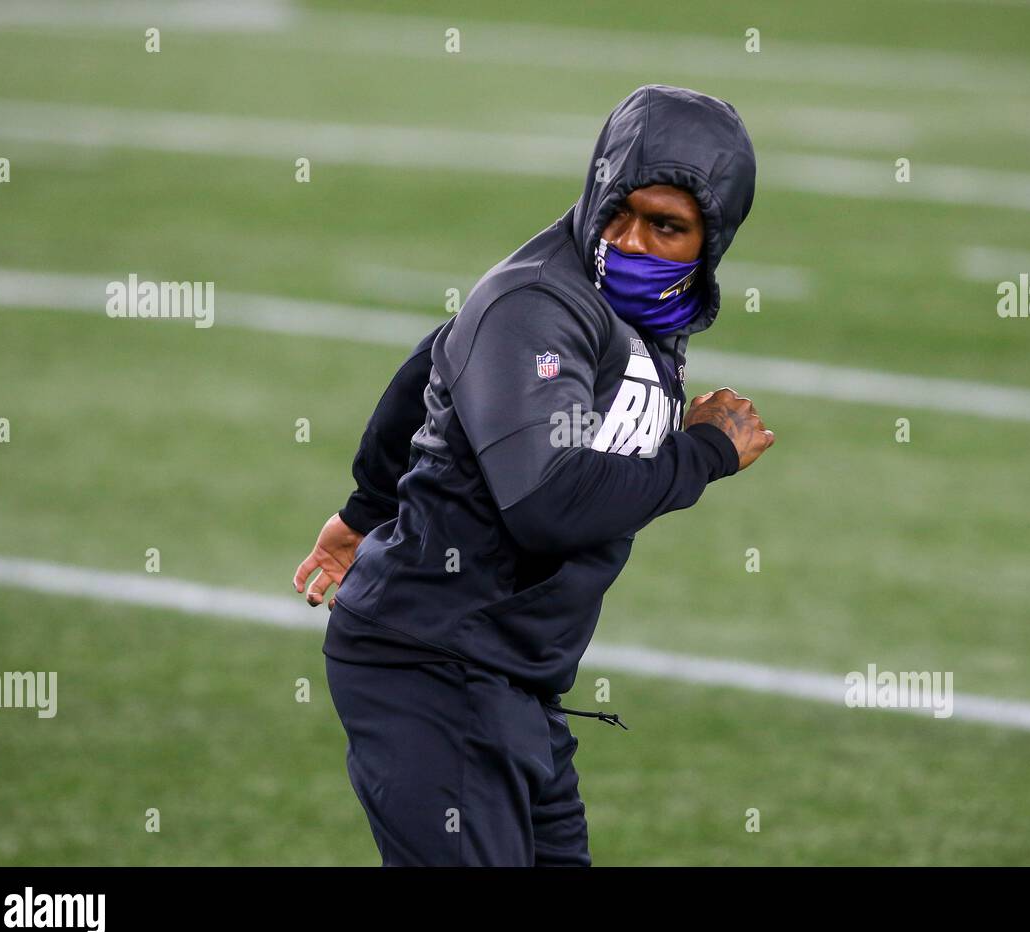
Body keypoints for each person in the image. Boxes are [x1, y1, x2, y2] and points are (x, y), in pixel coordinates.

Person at [293, 84, 772, 866]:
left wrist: (361, 512)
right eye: (621, 209)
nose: (633, 241)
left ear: (712, 239)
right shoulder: (544, 301)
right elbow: (547, 502)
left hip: (513, 677)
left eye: (668, 227)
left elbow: (436, 359)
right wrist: (705, 453)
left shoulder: (643, 312)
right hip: (432, 665)